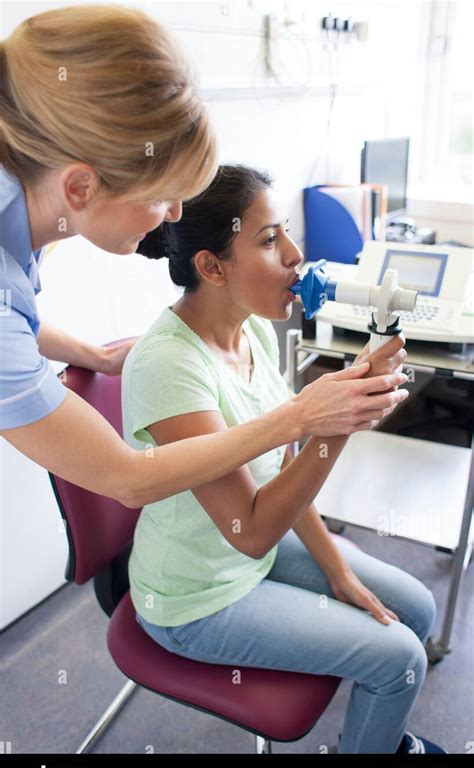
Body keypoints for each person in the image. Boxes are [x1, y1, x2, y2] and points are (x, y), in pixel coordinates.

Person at [0, 6, 399, 506]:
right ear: (79, 187)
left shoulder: (30, 189)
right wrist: (304, 417)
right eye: (162, 195)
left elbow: (19, 318)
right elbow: (127, 479)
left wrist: (97, 358)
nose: (173, 215)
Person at [122, 164, 445, 754]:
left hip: (254, 555)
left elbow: (282, 477)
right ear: (211, 266)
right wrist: (336, 424)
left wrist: (338, 569)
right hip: (194, 597)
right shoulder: (170, 367)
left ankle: (368, 740)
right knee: (400, 660)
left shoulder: (253, 333)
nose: (296, 255)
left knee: (416, 609)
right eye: (271, 240)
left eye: (287, 233)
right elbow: (251, 528)